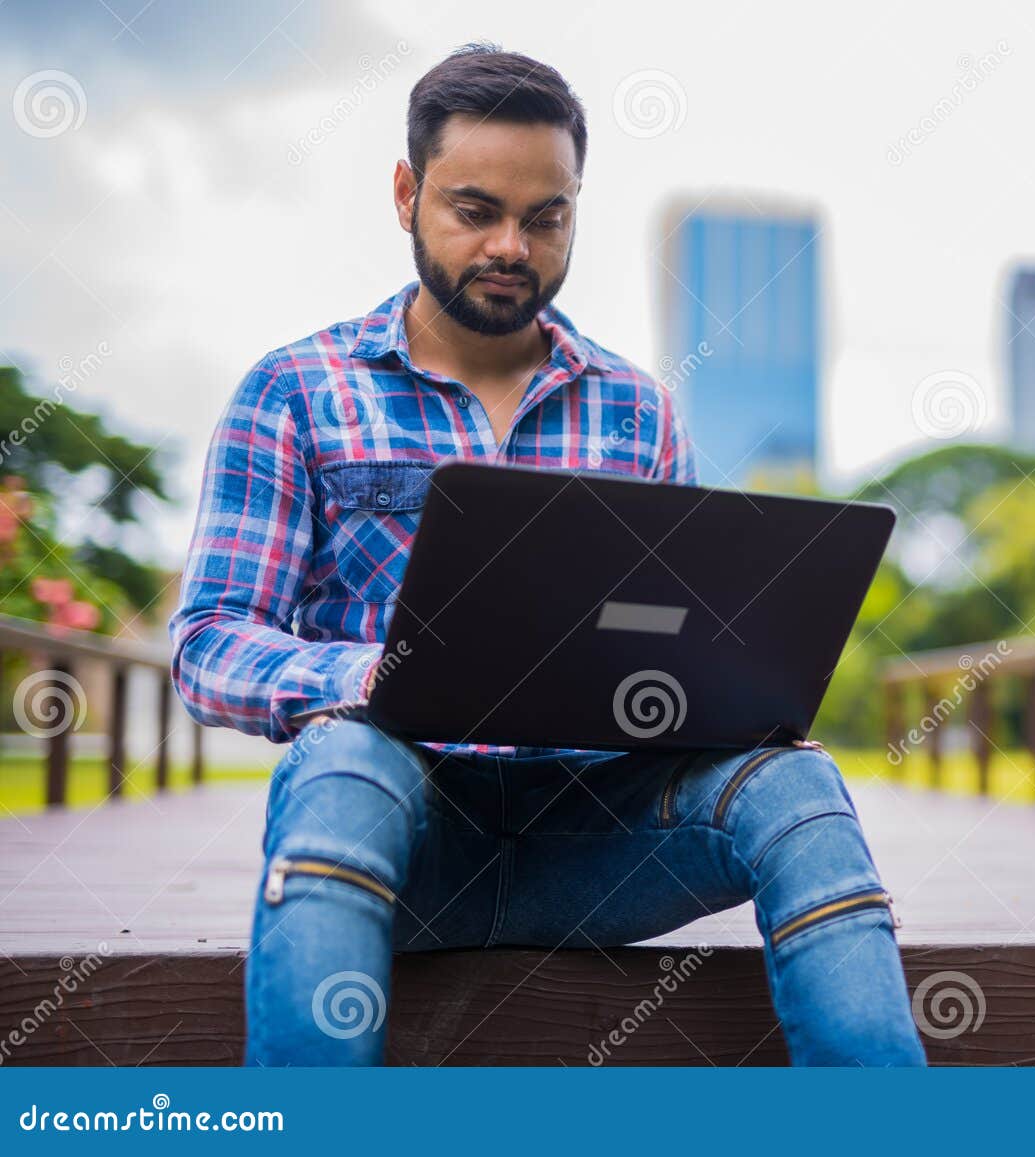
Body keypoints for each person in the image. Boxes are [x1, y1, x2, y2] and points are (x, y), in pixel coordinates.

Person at [169, 43, 925, 1068]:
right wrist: (382, 678)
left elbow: (690, 640)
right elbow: (210, 641)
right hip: (398, 841)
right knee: (344, 757)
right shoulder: (294, 391)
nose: (510, 246)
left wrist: (732, 695)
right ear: (406, 193)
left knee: (798, 778)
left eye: (545, 217)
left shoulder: (638, 411)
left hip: (600, 849)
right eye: (474, 209)